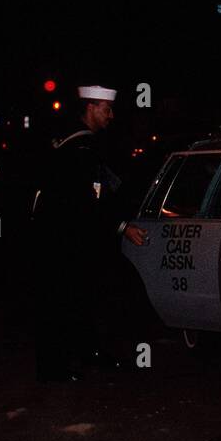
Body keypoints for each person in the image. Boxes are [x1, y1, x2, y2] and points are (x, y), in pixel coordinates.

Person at [31, 84, 147, 382]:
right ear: (91, 108)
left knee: (82, 299)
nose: (111, 116)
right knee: (60, 302)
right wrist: (122, 226)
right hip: (64, 238)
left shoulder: (80, 143)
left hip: (71, 237)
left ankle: (87, 352)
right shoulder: (79, 148)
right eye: (106, 109)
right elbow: (87, 201)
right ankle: (53, 368)